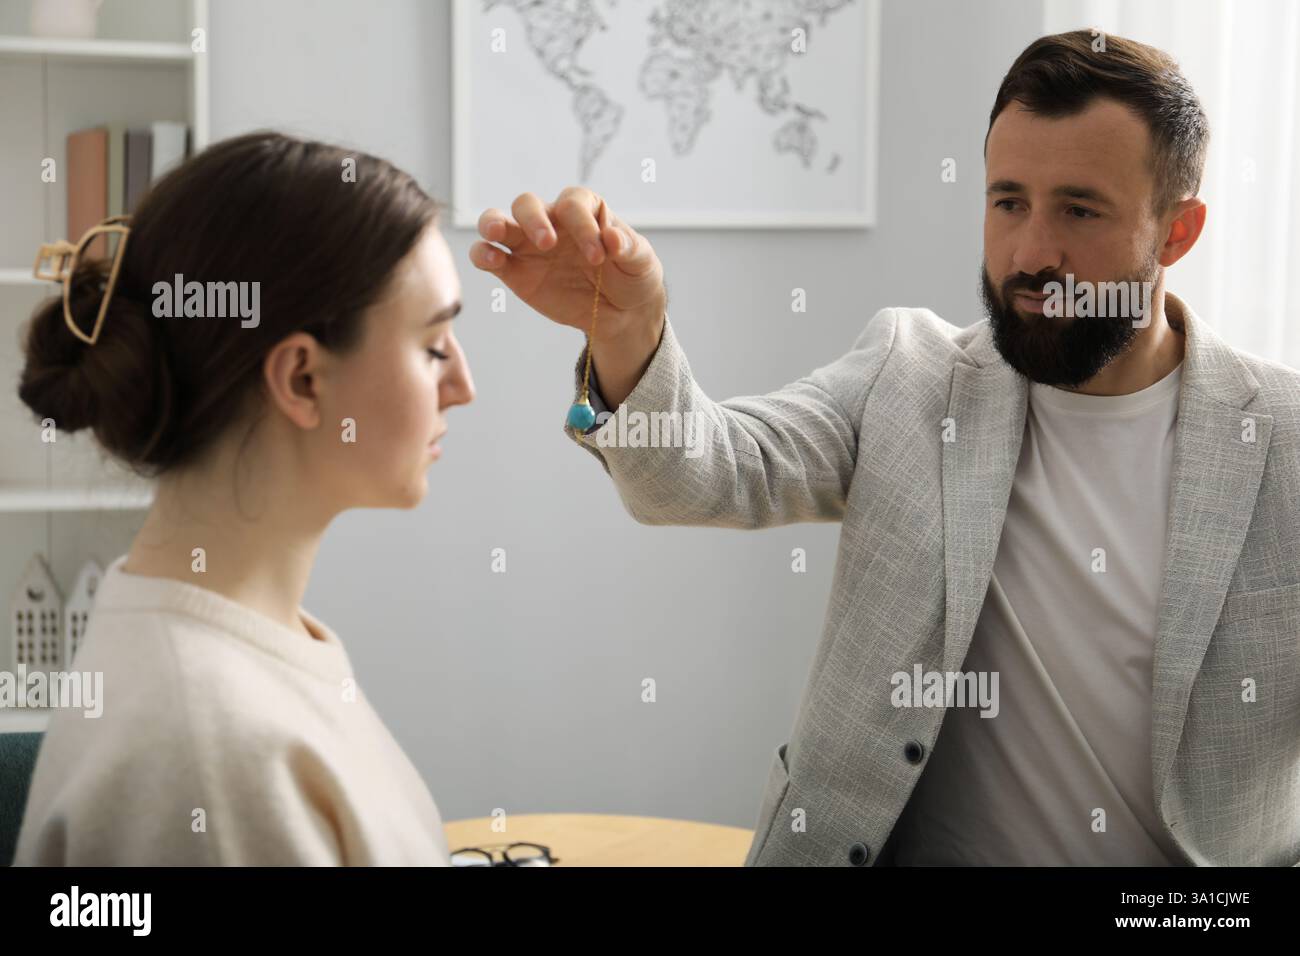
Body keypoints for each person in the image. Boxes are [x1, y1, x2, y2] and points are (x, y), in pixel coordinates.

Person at [469, 31, 1300, 865]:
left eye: (1078, 210)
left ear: (1178, 232)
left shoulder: (1285, 441)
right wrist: (628, 329)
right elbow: (700, 473)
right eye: (1008, 201)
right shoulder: (911, 377)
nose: (1031, 253)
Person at [14, 131, 472, 865]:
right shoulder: (213, 758)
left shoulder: (239, 640)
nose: (463, 387)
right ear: (301, 380)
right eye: (433, 346)